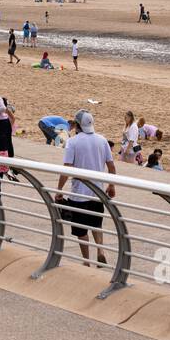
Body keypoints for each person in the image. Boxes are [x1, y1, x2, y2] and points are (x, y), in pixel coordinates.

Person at [55, 110, 116, 267]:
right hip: (97, 192)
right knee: (96, 224)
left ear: (77, 125)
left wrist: (59, 189)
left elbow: (67, 168)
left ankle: (86, 260)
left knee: (81, 230)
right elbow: (111, 166)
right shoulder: (102, 140)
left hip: (79, 194)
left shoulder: (73, 142)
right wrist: (111, 185)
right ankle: (101, 251)